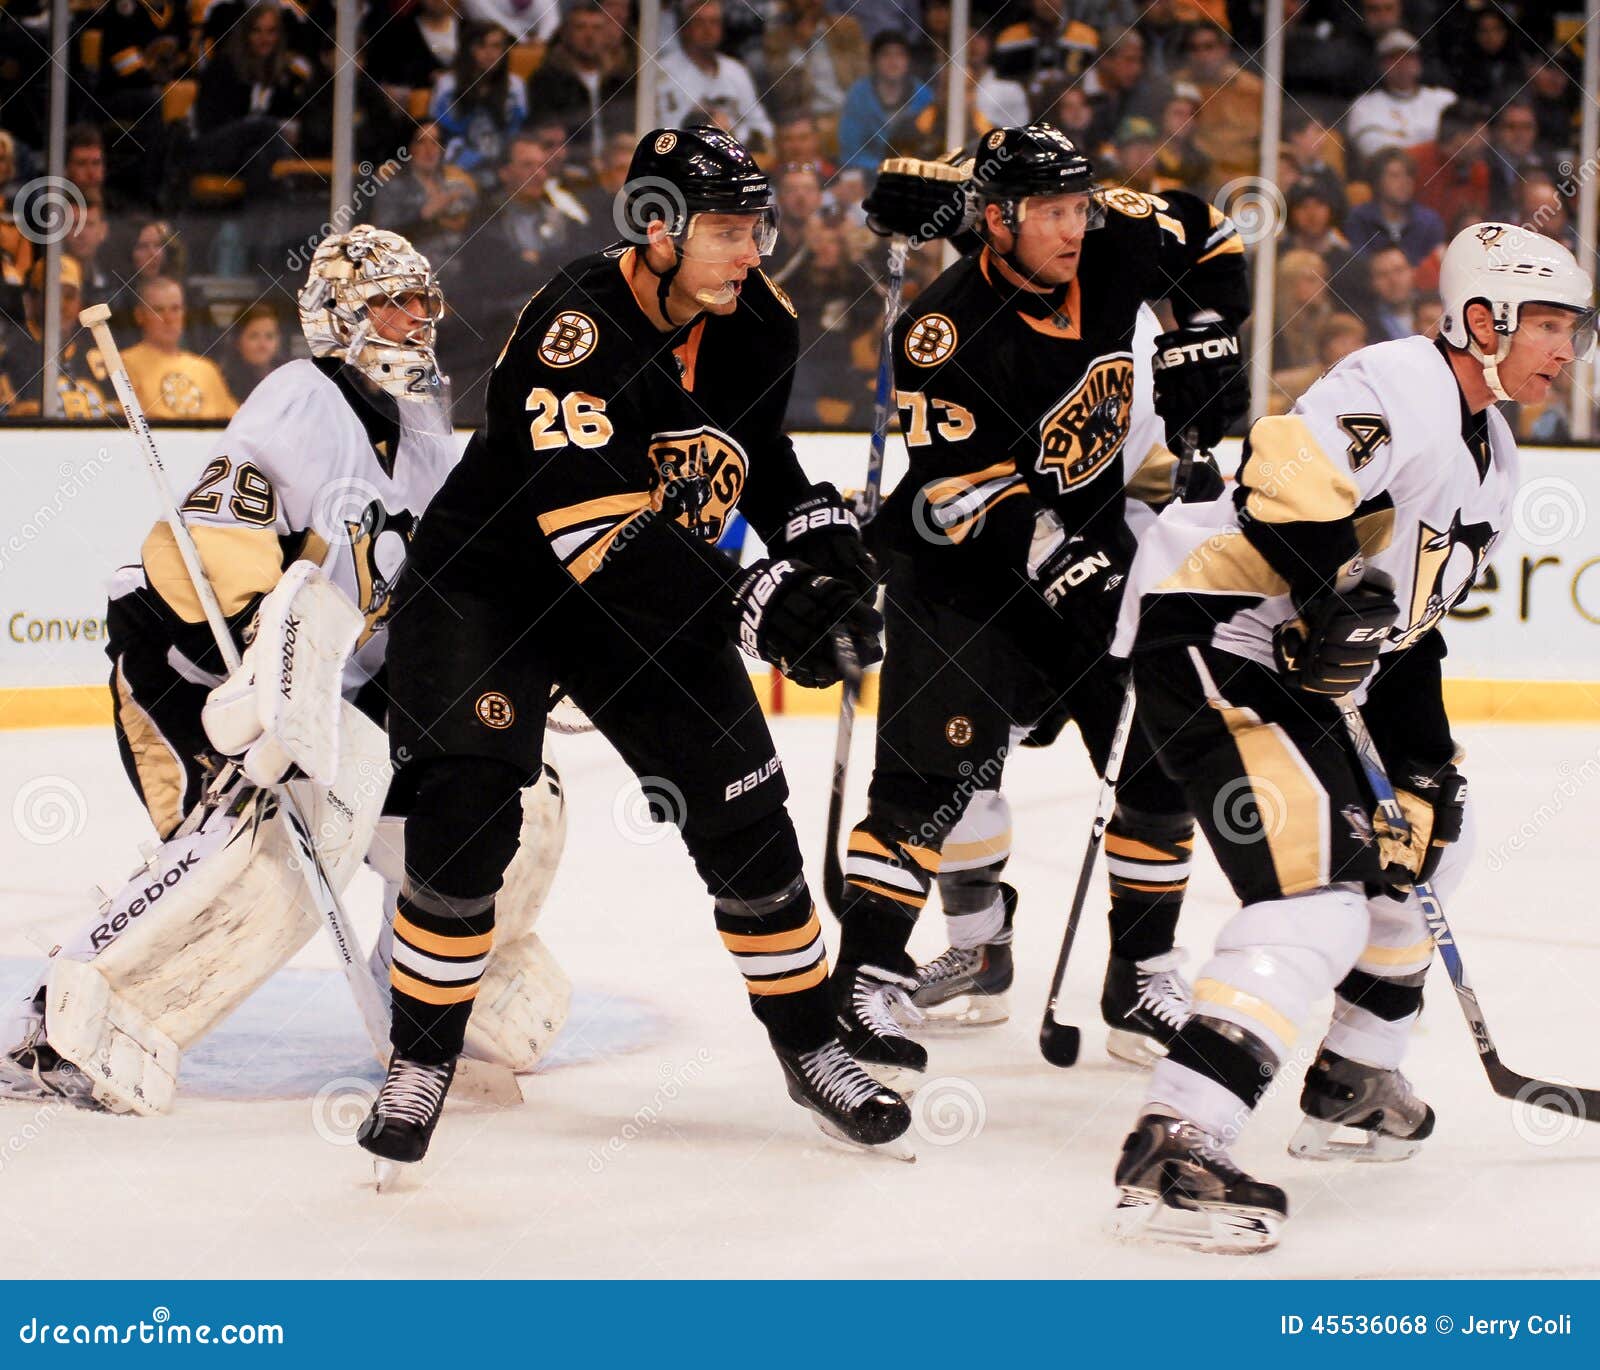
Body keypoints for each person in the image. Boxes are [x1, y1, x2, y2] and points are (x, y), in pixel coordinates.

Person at [357, 126, 899, 1175]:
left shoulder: (757, 319)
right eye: (728, 230)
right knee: (467, 809)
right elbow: (588, 528)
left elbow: (756, 454)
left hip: (646, 588)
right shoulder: (577, 323)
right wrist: (757, 600)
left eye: (758, 228)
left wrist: (821, 543)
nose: (752, 251)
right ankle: (419, 1061)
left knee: (746, 816)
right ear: (657, 227)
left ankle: (812, 1045)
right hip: (496, 587)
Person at [1, 228, 571, 1113]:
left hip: (336, 680)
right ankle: (67, 1022)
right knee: (265, 844)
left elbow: (439, 577)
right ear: (339, 316)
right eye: (392, 301)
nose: (417, 318)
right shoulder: (302, 400)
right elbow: (205, 562)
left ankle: (437, 982)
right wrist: (259, 696)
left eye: (422, 300)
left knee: (515, 791)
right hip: (193, 662)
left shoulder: (423, 421)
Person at [1106, 222, 1595, 1253]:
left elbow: (1405, 627)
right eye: (1548, 325)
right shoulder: (1400, 379)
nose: (1566, 348)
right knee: (1314, 895)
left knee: (1432, 834)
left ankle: (1354, 1074)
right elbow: (1282, 474)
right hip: (1217, 638)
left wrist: (1424, 760)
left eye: (1573, 329)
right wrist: (1332, 595)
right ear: (1481, 320)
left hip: (1303, 675)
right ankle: (1178, 1136)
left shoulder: (1496, 455)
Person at [826, 125, 1249, 1081]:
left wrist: (1203, 330)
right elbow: (969, 493)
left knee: (1154, 760)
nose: (1072, 228)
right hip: (963, 572)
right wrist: (1070, 568)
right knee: (934, 779)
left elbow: (1214, 237)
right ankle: (869, 974)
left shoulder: (1116, 237)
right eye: (1050, 212)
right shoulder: (942, 329)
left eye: (1077, 207)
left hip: (1093, 540)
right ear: (996, 219)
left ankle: (1139, 977)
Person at [524, 0, 636, 172]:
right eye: (580, 27)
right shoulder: (545, 81)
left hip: (618, 169)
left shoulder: (621, 79)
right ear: (566, 34)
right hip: (570, 170)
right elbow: (547, 135)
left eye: (597, 28)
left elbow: (628, 128)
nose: (589, 35)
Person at [0, 256, 115, 419]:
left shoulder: (98, 350)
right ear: (30, 301)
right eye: (52, 296)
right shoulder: (8, 353)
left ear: (80, 304)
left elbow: (122, 411)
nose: (61, 305)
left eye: (69, 296)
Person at [656, 1, 773, 149]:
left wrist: (732, 133)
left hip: (734, 154)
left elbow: (763, 127)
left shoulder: (736, 71)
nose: (708, 29)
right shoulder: (663, 72)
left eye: (714, 22)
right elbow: (664, 130)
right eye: (699, 22)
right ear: (685, 28)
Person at [120, 276, 238, 421]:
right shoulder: (122, 365)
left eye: (175, 309)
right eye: (158, 310)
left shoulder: (207, 370)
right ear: (140, 315)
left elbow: (234, 423)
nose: (169, 318)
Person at [430, 20, 527, 189]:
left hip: (504, 170)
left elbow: (519, 134)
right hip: (457, 171)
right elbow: (436, 135)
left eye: (496, 46)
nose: (490, 53)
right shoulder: (447, 85)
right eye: (481, 46)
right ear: (468, 50)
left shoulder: (516, 87)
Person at [1345, 29, 1456, 165]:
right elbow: (1376, 153)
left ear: (1419, 63)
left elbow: (1462, 146)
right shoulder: (1364, 105)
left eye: (1408, 57)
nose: (1402, 64)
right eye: (1393, 59)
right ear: (1381, 66)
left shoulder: (1445, 99)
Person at [836, 31, 933, 173]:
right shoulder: (858, 95)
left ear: (908, 61)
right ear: (874, 60)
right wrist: (884, 168)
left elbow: (932, 146)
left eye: (900, 55)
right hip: (867, 175)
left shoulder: (924, 95)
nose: (893, 61)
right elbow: (850, 151)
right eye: (886, 54)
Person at [220, 302, 286, 403]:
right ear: (237, 341)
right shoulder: (224, 383)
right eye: (254, 336)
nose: (263, 345)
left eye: (269, 336)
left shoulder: (289, 377)